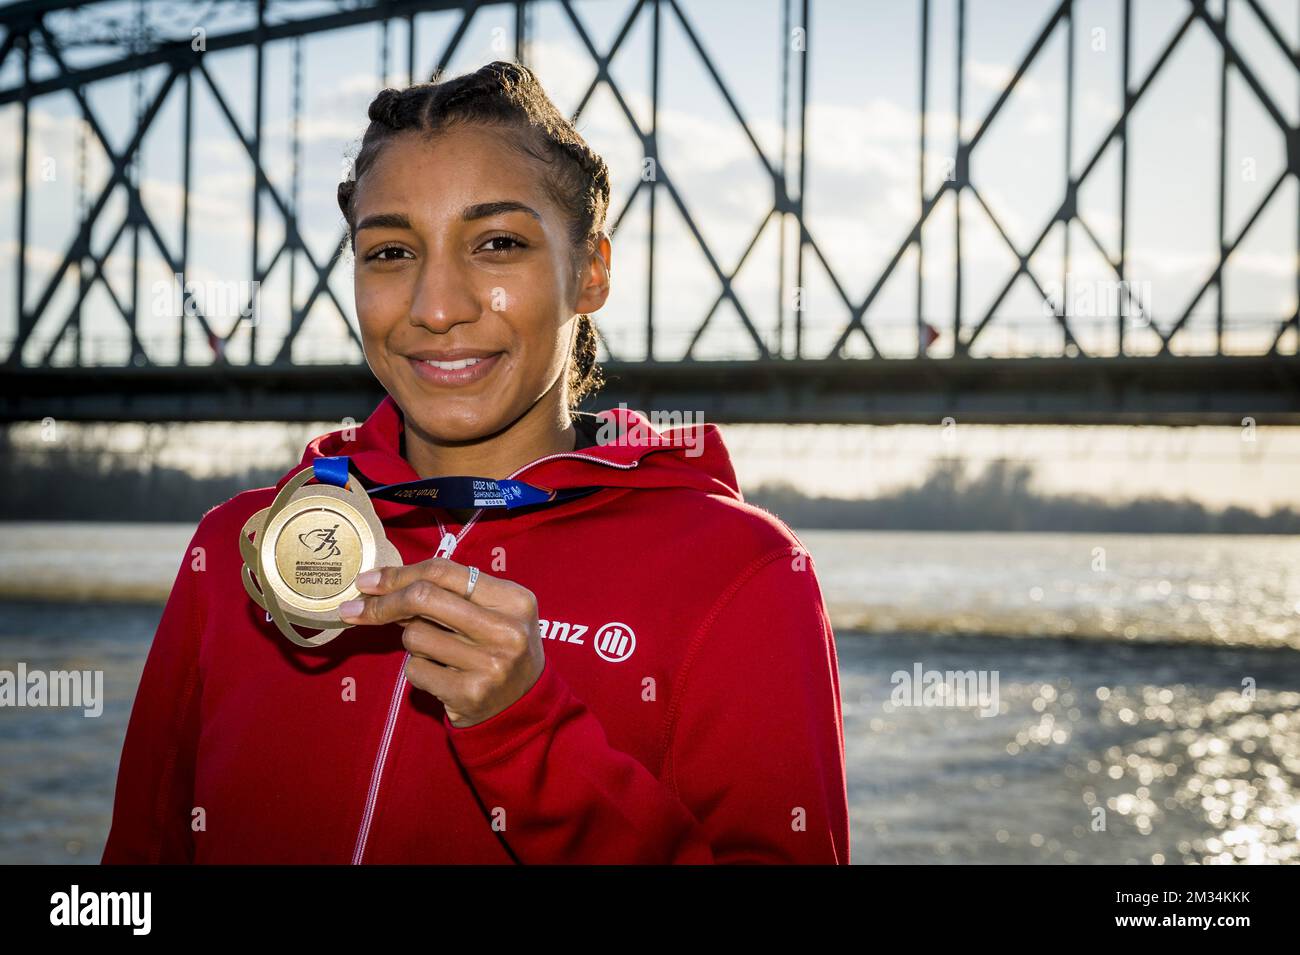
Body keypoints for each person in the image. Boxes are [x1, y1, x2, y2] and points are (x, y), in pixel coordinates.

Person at [101, 61, 849, 864]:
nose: (436, 306)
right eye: (389, 252)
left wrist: (528, 731)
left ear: (590, 273)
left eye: (498, 243)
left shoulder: (747, 574)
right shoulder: (236, 547)